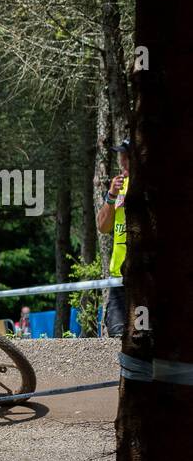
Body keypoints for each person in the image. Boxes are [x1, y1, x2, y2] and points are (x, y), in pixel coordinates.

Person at [96, 138, 130, 338]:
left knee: (143, 333)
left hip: (145, 278)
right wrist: (111, 196)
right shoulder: (118, 186)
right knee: (116, 333)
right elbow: (103, 227)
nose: (123, 161)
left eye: (127, 156)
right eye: (121, 156)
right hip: (118, 276)